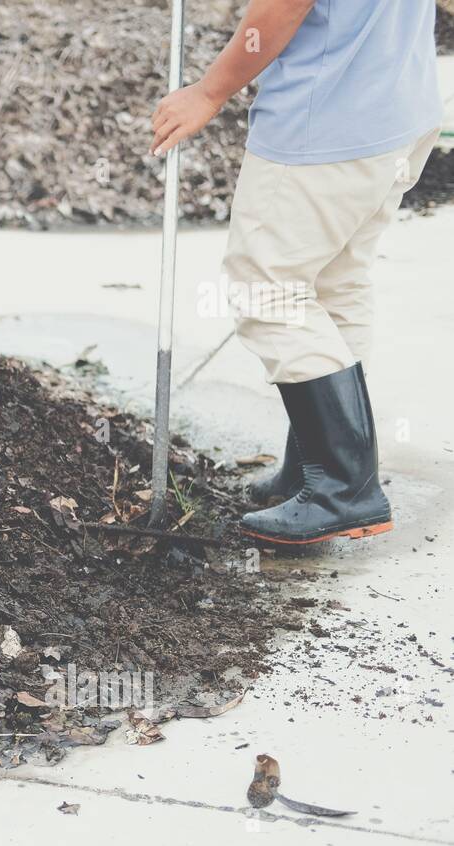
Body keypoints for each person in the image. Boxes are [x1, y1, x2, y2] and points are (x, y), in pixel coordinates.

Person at [150, 0, 442, 545]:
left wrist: (209, 92)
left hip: (327, 124)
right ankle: (317, 464)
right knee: (334, 285)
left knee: (268, 289)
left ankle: (343, 490)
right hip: (397, 110)